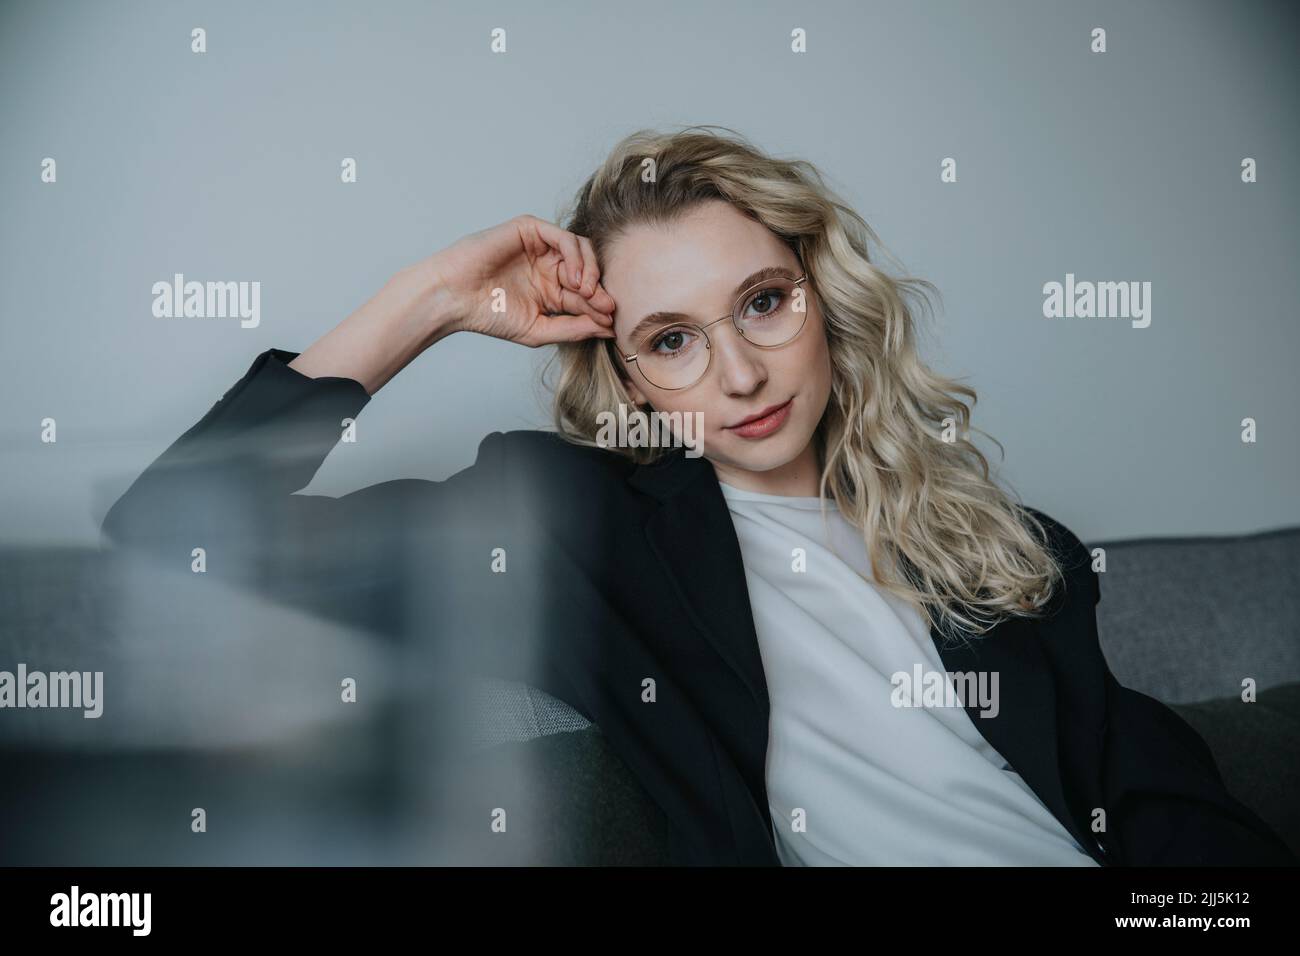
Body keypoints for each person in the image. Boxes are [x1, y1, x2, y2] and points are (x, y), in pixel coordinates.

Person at [101, 125, 1297, 866]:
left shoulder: (1004, 546)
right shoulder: (583, 525)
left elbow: (1161, 799)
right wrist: (431, 300)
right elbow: (180, 534)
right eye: (671, 338)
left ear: (820, 300)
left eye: (762, 303)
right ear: (622, 372)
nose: (737, 372)